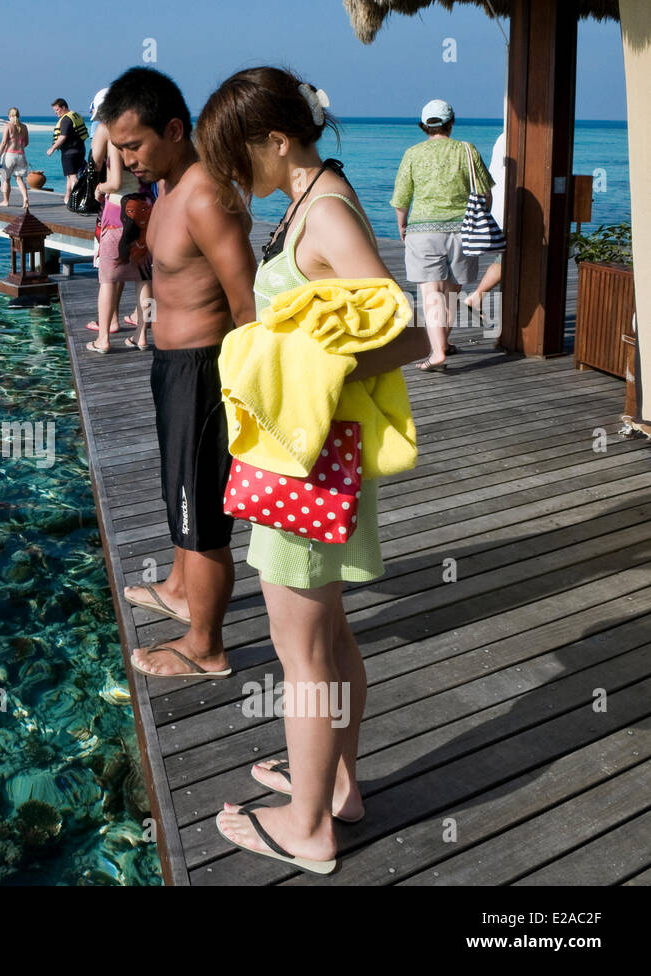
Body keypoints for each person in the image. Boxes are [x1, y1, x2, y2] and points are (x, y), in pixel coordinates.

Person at [195, 66, 427, 874]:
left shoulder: (322, 214)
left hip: (307, 467)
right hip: (322, 461)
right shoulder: (313, 200)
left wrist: (304, 369)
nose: (231, 177)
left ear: (278, 141)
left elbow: (408, 334)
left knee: (303, 656)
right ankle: (338, 790)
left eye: (237, 158)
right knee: (327, 637)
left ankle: (307, 828)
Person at [99, 66, 257, 680]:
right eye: (119, 148)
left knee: (203, 511)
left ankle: (207, 646)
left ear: (173, 128)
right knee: (178, 492)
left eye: (135, 145)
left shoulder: (203, 195)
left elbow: (245, 303)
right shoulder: (168, 189)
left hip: (206, 373)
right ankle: (180, 587)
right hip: (173, 366)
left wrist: (246, 393)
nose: (128, 159)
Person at [391, 98, 493, 372]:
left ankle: (437, 352)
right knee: (451, 293)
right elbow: (485, 193)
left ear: (423, 125)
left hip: (423, 231)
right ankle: (442, 345)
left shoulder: (413, 153)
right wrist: (479, 219)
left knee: (431, 293)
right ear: (451, 122)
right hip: (462, 231)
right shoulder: (466, 150)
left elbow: (402, 198)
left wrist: (402, 225)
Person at [85, 87, 153, 353]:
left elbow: (108, 177)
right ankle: (142, 335)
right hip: (146, 208)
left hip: (118, 212)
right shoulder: (144, 130)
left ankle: (103, 339)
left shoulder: (108, 129)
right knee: (145, 278)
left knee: (108, 279)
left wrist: (100, 189)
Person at [465, 126, 508, 325]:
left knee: (507, 257)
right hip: (511, 206)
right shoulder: (517, 137)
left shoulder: (503, 138)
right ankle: (478, 296)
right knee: (511, 257)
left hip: (501, 204)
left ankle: (478, 296)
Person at [47, 97, 88, 205]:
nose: (56, 112)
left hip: (70, 153)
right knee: (70, 176)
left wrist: (52, 148)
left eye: (57, 110)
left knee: (73, 177)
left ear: (64, 107)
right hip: (80, 150)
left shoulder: (65, 119)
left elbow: (62, 137)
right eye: (55, 110)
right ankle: (68, 198)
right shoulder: (75, 115)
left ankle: (79, 199)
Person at [0, 107, 31, 208]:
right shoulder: (24, 127)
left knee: (6, 179)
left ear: (9, 116)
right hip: (21, 155)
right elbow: (26, 143)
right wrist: (19, 147)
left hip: (9, 154)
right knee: (19, 179)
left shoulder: (8, 126)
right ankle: (25, 198)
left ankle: (5, 201)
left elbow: (4, 142)